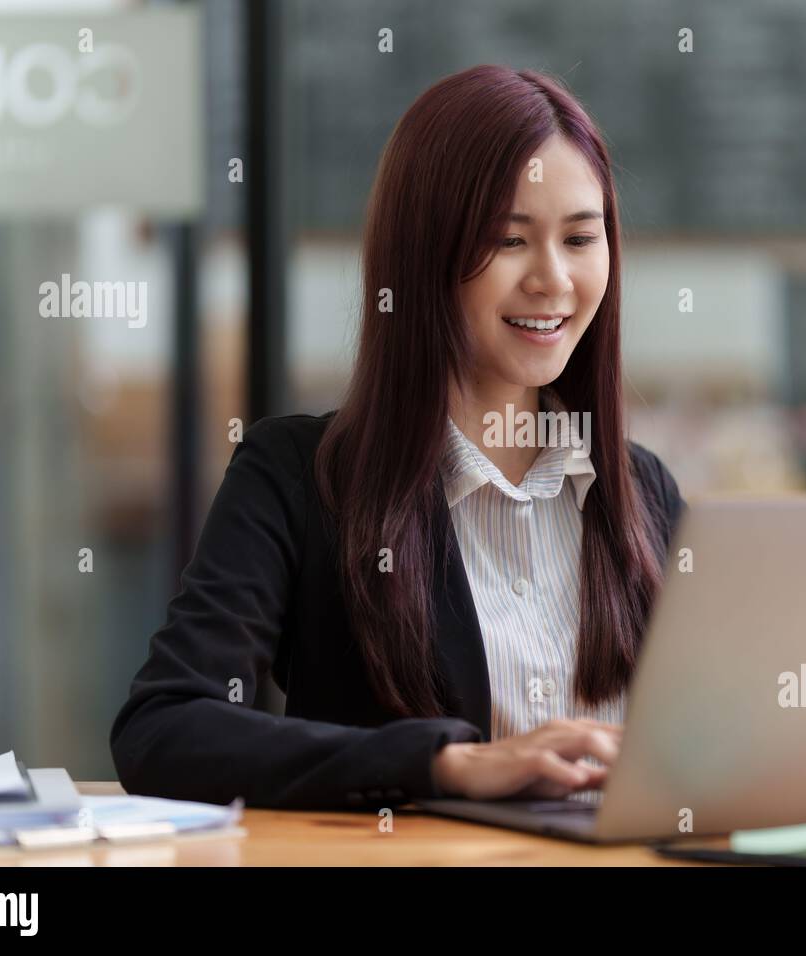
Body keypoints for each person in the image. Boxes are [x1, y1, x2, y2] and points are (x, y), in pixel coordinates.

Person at [110, 64, 685, 811]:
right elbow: (163, 733)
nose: (553, 279)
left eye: (580, 238)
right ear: (423, 256)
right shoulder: (298, 479)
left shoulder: (643, 493)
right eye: (509, 240)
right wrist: (446, 764)